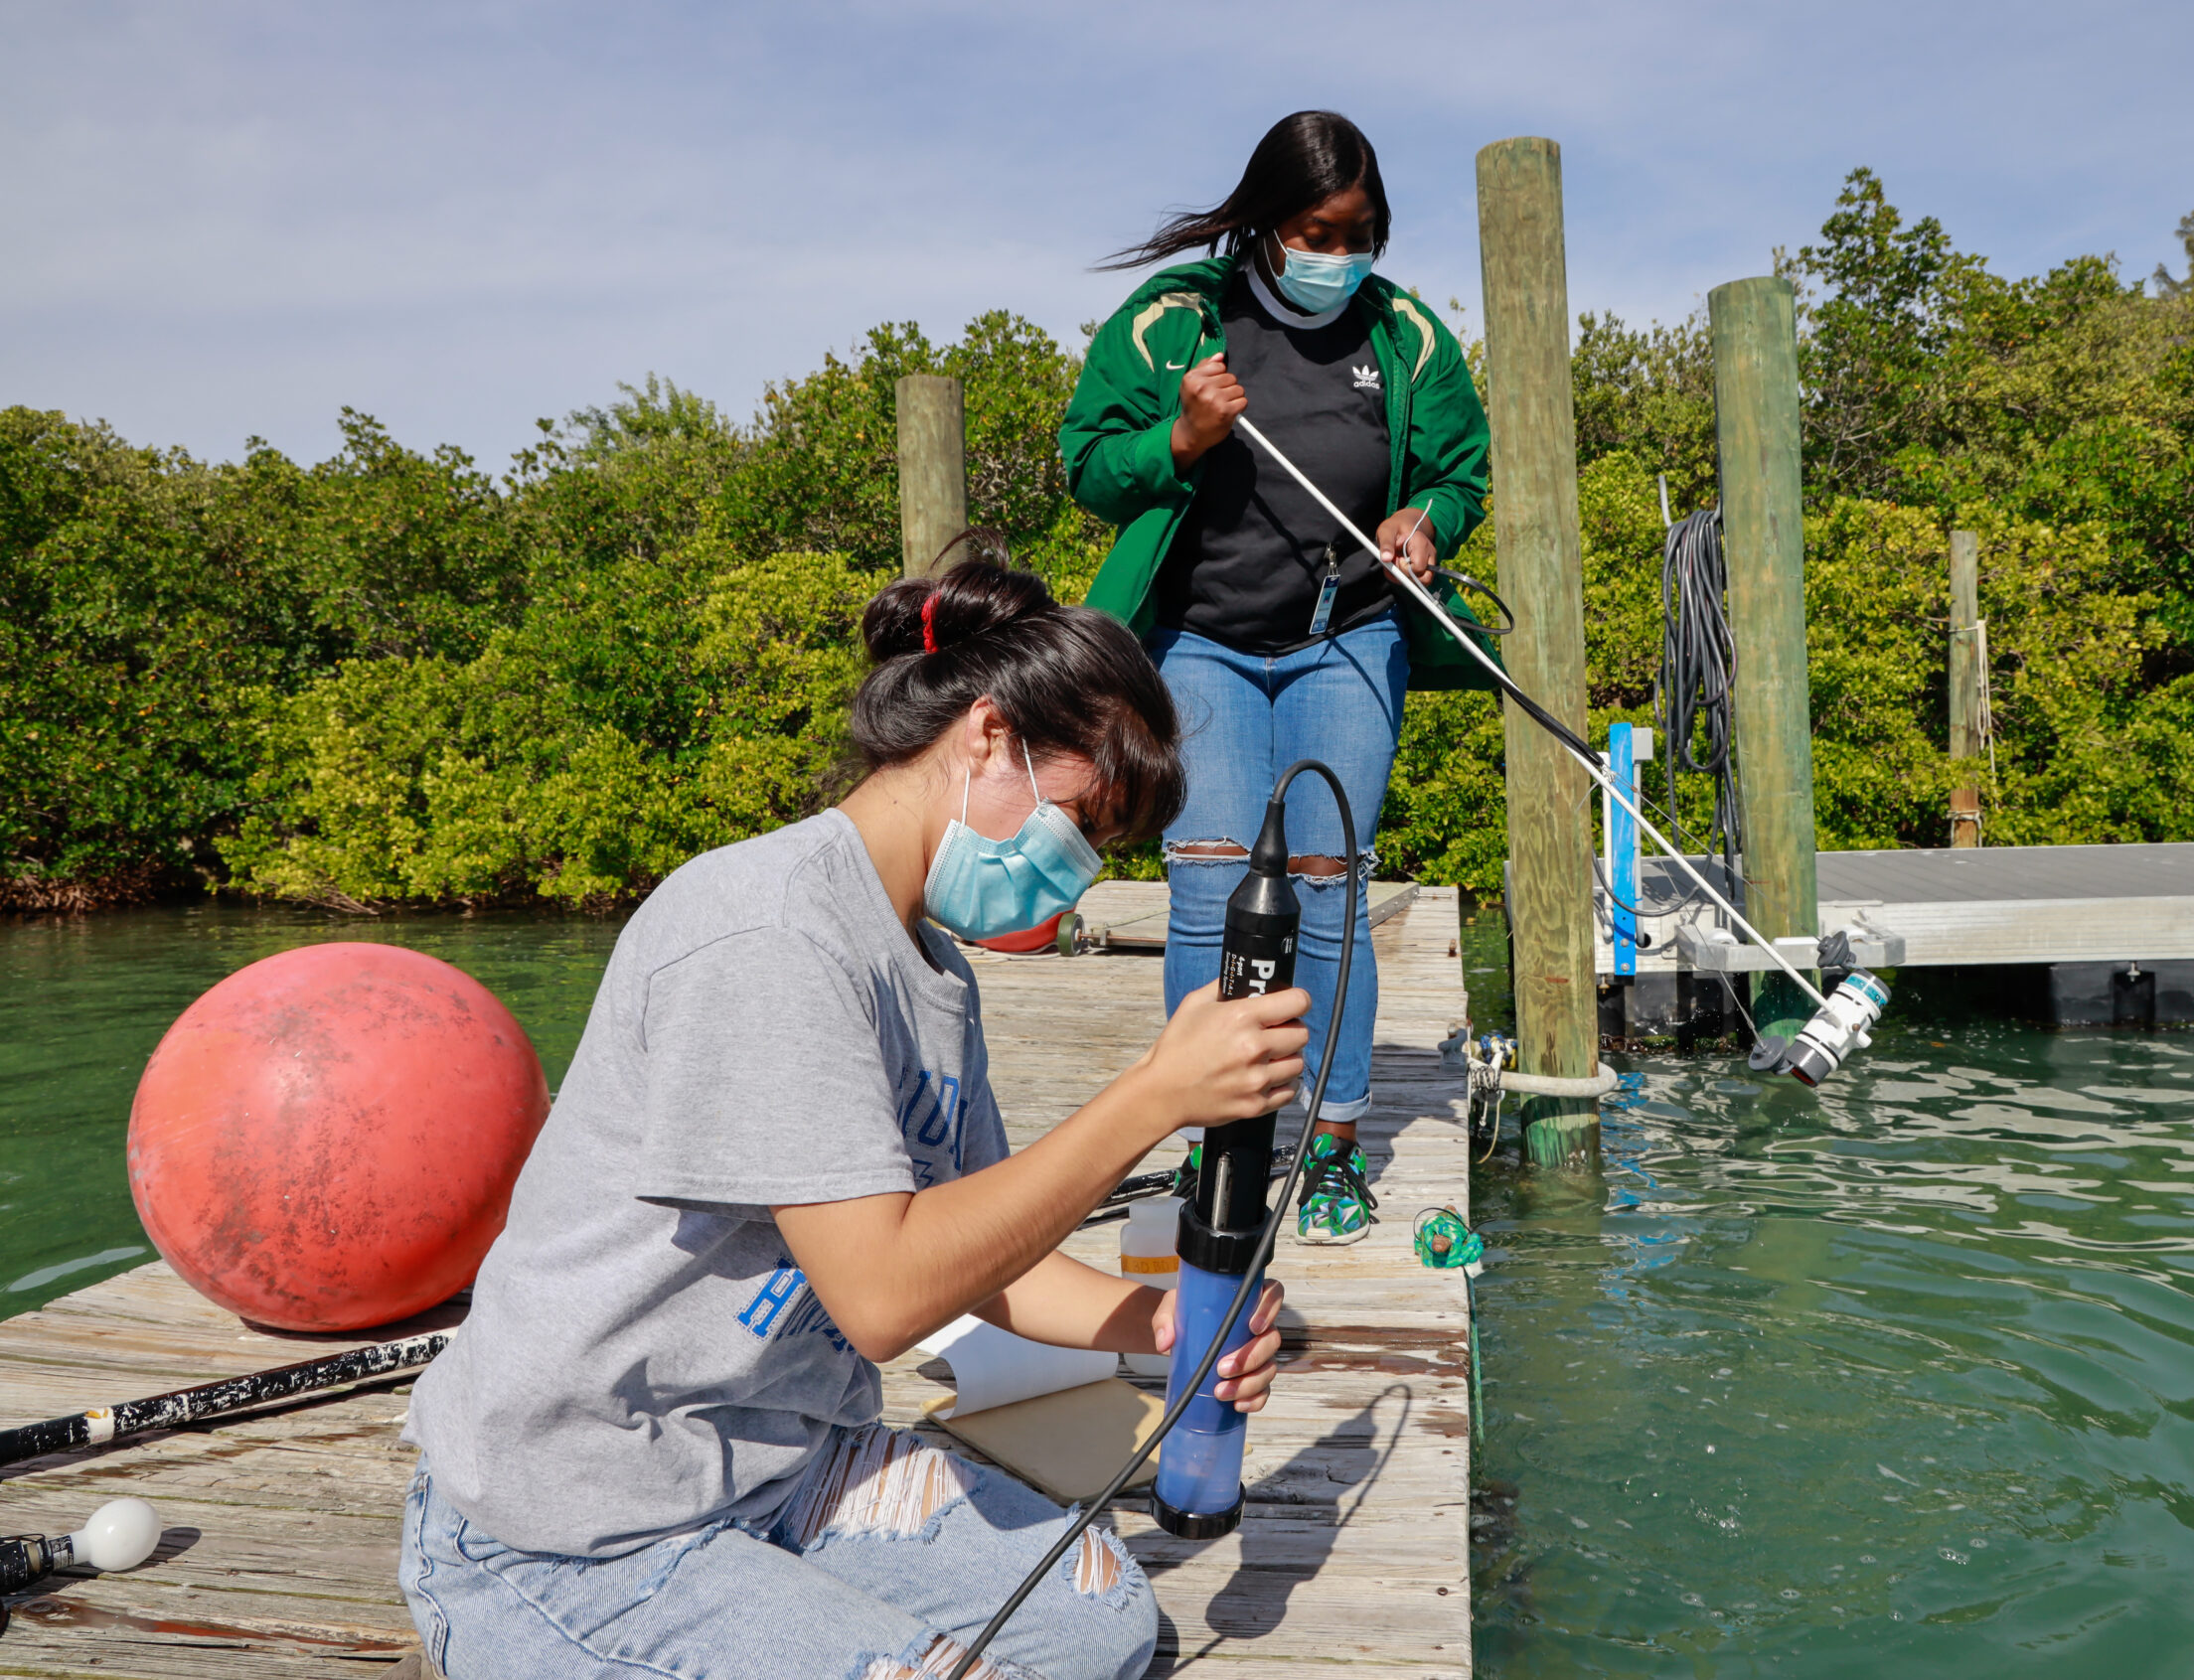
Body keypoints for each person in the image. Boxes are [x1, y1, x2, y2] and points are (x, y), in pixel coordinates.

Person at [397, 559, 1310, 1680]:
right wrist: (1153, 1096)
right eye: (1081, 822)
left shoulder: (931, 965)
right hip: (581, 1522)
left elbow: (978, 1258)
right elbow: (885, 1298)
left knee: (1098, 1626)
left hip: (783, 1460)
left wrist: (1159, 1323)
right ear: (985, 735)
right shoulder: (767, 935)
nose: (1076, 877)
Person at [1061, 110, 1492, 1245]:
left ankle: (1335, 1142)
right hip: (1197, 642)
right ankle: (1221, 1139)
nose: (1338, 255)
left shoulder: (1404, 336)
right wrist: (1183, 439)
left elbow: (1462, 474)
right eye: (1316, 230)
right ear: (1264, 221)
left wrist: (1425, 519)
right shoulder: (1170, 323)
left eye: (1360, 234)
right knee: (1206, 888)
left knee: (1328, 883)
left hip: (1346, 636)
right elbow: (1091, 470)